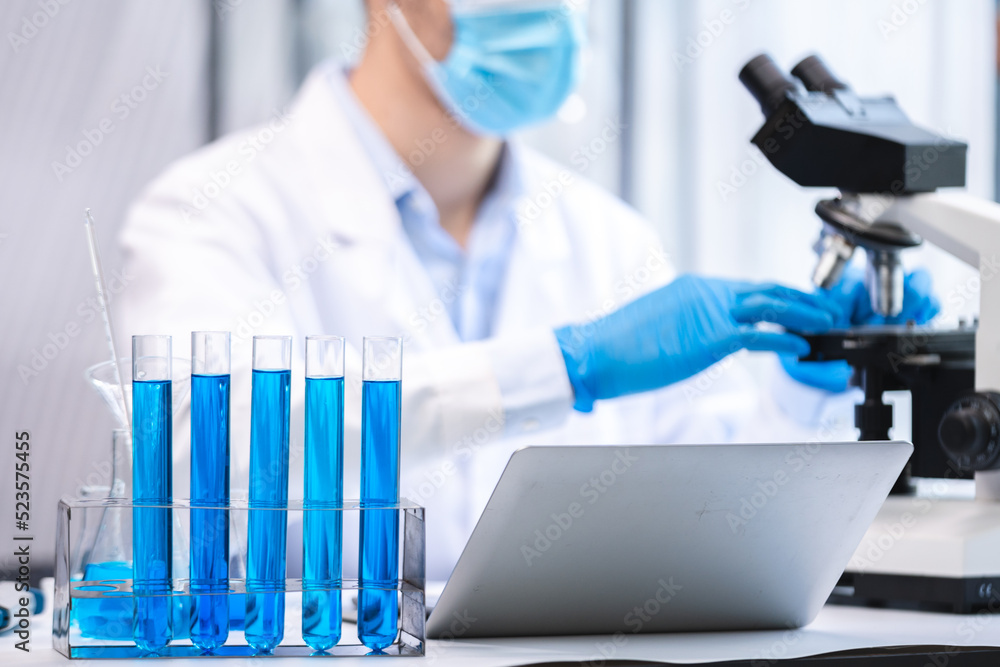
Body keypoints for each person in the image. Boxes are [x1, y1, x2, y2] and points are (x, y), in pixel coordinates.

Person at [117, 0, 938, 579]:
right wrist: (565, 365)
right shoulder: (210, 212)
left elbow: (725, 538)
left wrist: (806, 393)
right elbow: (204, 461)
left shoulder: (606, 234)